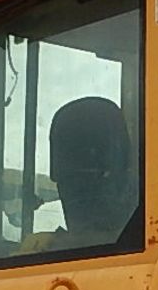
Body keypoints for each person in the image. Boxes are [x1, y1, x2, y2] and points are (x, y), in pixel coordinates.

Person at [47, 96, 140, 249]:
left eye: (84, 177)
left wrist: (56, 244)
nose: (72, 194)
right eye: (66, 179)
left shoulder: (150, 224)